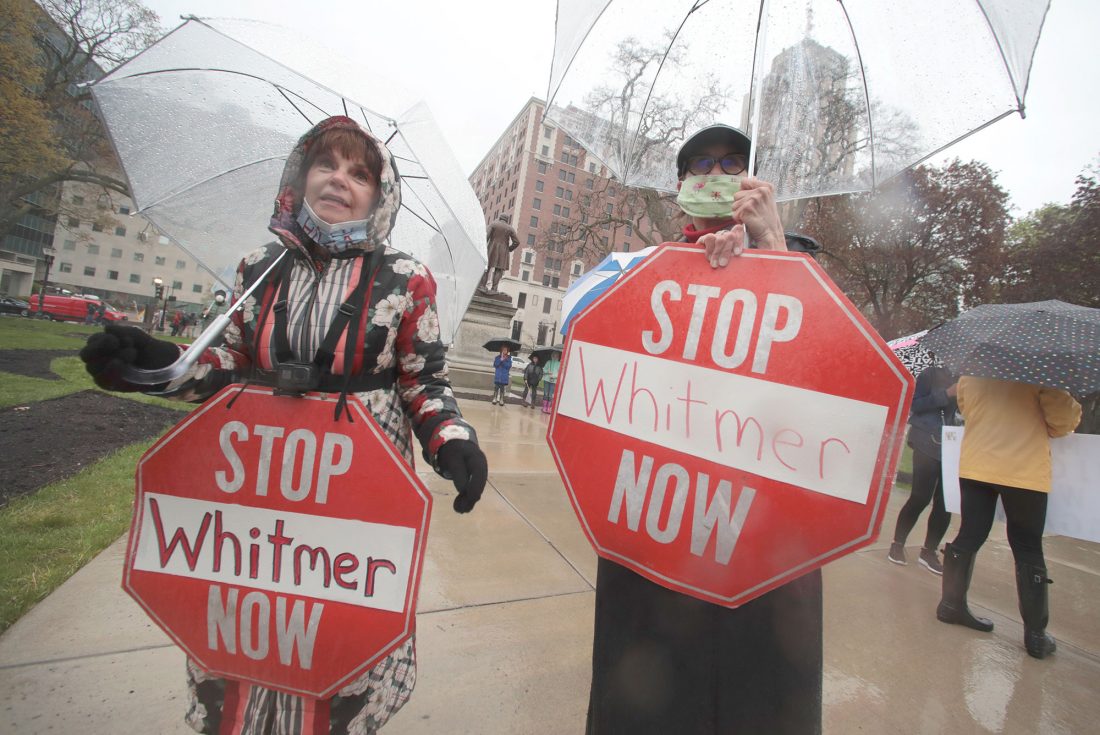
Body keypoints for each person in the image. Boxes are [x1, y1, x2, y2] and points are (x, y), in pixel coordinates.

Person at [79, 115, 489, 733]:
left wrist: (452, 441)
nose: (339, 179)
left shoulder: (407, 279)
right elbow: (225, 365)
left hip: (355, 496)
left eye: (359, 172)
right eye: (326, 164)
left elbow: (423, 382)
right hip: (256, 486)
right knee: (251, 625)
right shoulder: (259, 268)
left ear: (379, 195)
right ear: (300, 176)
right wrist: (161, 364)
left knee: (338, 637)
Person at [586, 124, 823, 735]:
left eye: (731, 163)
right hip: (656, 524)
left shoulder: (799, 260)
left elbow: (825, 376)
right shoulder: (640, 272)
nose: (715, 175)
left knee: (757, 698)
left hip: (764, 539)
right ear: (680, 189)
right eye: (699, 165)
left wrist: (771, 250)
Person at [937, 376, 1081, 659]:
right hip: (1022, 471)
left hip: (976, 465)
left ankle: (950, 605)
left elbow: (966, 407)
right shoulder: (1042, 375)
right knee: (1027, 547)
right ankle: (1036, 636)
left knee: (970, 534)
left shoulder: (974, 373)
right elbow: (1063, 423)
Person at [888, 364, 957, 574]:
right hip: (926, 441)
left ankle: (929, 551)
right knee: (920, 497)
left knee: (946, 502)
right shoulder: (931, 374)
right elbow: (916, 404)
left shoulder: (971, 380)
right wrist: (947, 393)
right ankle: (897, 544)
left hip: (954, 445)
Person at [479, 214, 519, 293]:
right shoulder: (510, 228)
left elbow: (486, 236)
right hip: (503, 251)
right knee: (498, 270)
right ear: (507, 220)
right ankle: (494, 289)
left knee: (487, 268)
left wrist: (483, 248)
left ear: (500, 218)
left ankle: (482, 286)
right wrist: (509, 249)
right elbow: (516, 242)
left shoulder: (493, 224)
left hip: (491, 248)